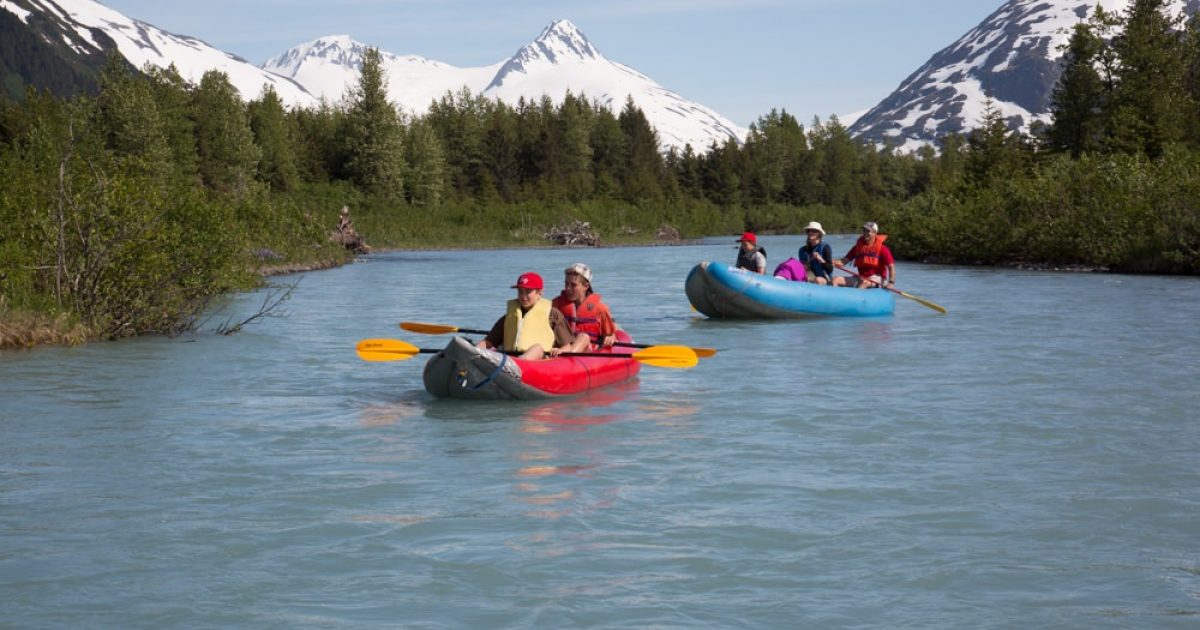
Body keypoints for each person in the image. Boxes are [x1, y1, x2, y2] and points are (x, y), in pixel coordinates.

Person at [477, 272, 589, 360]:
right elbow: (488, 342)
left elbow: (569, 345)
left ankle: (518, 365)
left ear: (539, 293)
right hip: (511, 359)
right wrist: (475, 350)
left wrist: (560, 351)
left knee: (537, 348)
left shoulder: (552, 314)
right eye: (520, 291)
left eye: (528, 291)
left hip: (540, 360)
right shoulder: (510, 316)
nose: (523, 296)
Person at [551, 263, 618, 348]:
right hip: (561, 349)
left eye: (573, 285)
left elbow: (609, 334)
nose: (568, 288)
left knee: (583, 337)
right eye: (566, 284)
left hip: (587, 352)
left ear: (586, 286)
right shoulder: (556, 304)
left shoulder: (600, 309)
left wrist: (610, 336)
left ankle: (570, 353)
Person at [833, 221, 896, 289]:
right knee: (836, 280)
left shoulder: (883, 249)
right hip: (861, 277)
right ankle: (833, 298)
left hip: (878, 278)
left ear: (875, 233)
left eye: (868, 231)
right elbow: (843, 262)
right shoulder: (857, 248)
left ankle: (856, 297)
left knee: (865, 282)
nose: (865, 233)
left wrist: (891, 282)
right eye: (864, 231)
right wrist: (832, 262)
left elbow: (891, 267)